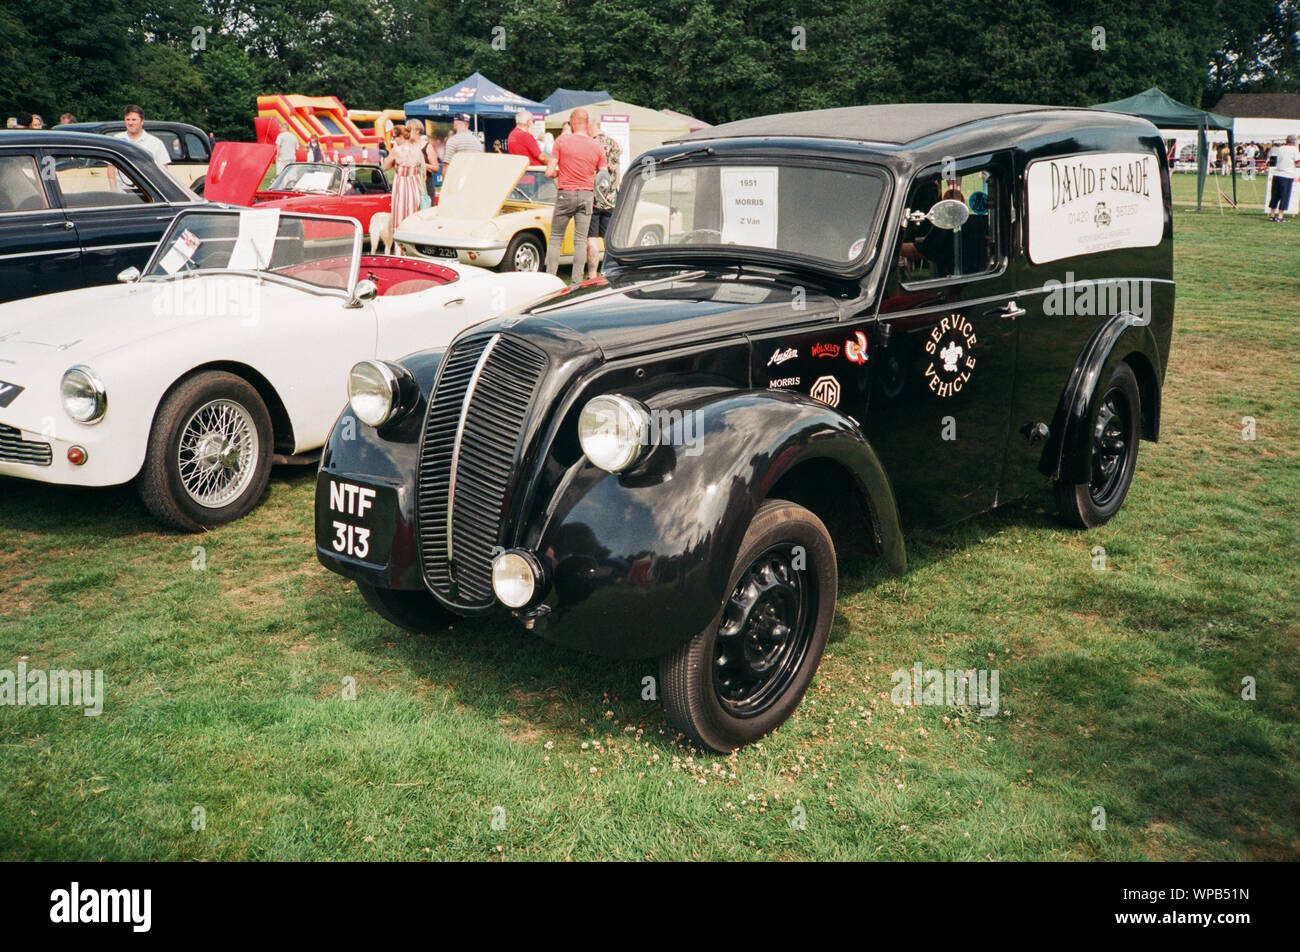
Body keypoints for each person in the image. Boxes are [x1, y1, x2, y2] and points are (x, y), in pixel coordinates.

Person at [545, 107, 606, 284]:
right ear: (587, 124)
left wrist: (559, 173)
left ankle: (550, 279)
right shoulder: (597, 145)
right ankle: (576, 282)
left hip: (565, 193)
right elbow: (603, 174)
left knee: (556, 237)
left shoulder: (561, 141)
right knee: (580, 240)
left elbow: (549, 172)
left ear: (571, 123)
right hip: (586, 195)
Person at [587, 118, 621, 276]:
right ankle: (608, 271)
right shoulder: (614, 143)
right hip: (610, 198)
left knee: (592, 238)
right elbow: (618, 171)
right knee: (608, 239)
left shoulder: (591, 144)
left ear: (589, 127)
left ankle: (592, 274)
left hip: (594, 199)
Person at [382, 125, 424, 235]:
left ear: (400, 136)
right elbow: (423, 170)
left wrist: (384, 159)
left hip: (402, 186)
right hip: (416, 185)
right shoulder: (417, 149)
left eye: (394, 137)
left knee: (400, 216)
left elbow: (385, 167)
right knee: (415, 216)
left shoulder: (396, 150)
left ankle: (399, 249)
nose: (393, 139)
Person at [1267, 135, 1299, 222]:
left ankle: (1272, 215)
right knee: (1284, 196)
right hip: (1287, 175)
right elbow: (1297, 161)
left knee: (1275, 195)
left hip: (1277, 174)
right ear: (1294, 142)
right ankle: (1280, 216)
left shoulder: (1281, 148)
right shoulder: (1294, 149)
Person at [407, 119, 439, 196]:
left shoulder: (427, 147)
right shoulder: (407, 146)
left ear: (417, 131)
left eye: (409, 130)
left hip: (426, 184)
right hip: (411, 183)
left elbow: (436, 168)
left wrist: (422, 164)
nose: (407, 133)